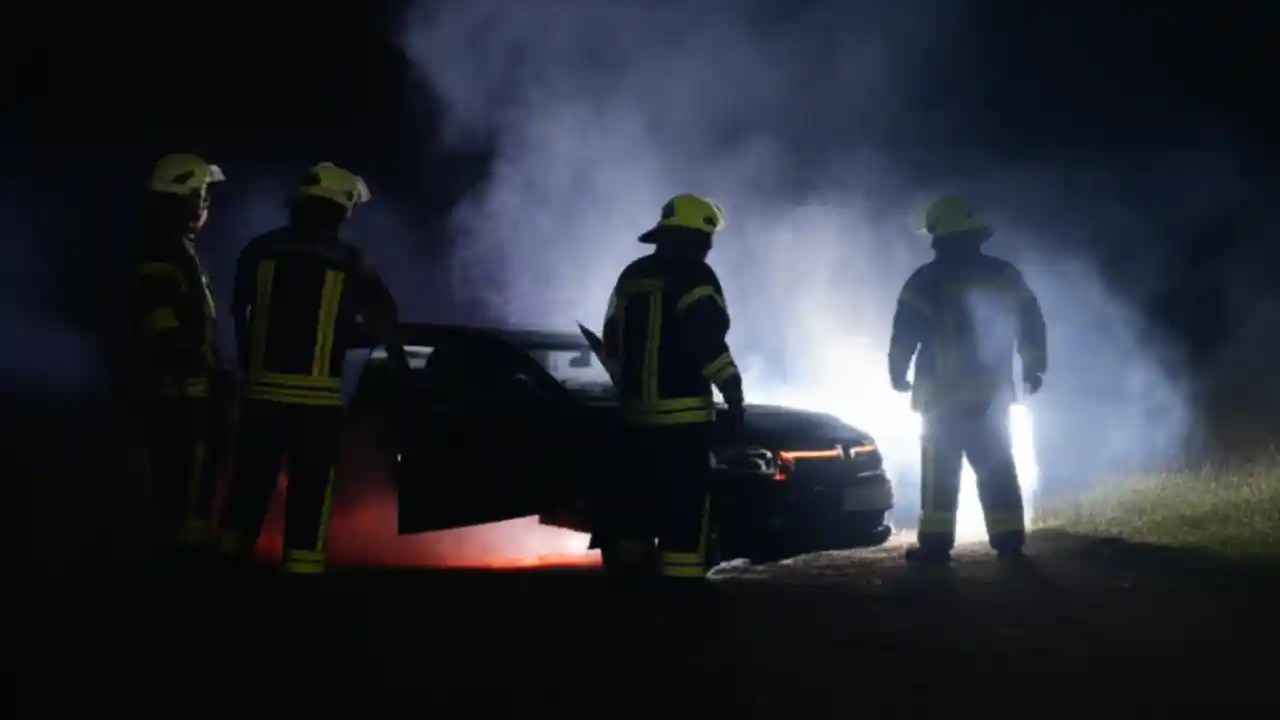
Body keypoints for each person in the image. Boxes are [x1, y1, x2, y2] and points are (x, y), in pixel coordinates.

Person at [215, 161, 408, 574]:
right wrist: (372, 347)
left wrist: (247, 370)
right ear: (340, 209)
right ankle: (302, 578)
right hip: (315, 402)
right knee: (310, 492)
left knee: (248, 486)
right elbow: (384, 321)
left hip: (261, 395)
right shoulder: (350, 262)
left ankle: (223, 571)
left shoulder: (258, 249)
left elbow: (240, 314)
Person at [889, 195, 1047, 562]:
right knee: (996, 467)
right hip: (989, 396)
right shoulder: (1004, 275)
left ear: (938, 237)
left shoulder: (925, 280)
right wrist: (1034, 366)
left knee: (940, 474)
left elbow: (904, 334)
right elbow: (1032, 321)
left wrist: (897, 374)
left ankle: (936, 545)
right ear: (976, 234)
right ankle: (1009, 541)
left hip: (940, 399)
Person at [599, 193, 746, 582]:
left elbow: (610, 338)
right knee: (684, 500)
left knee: (636, 496)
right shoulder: (695, 276)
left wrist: (627, 386)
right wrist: (732, 389)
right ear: (700, 236)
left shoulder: (632, 275)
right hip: (683, 417)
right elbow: (707, 341)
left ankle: (629, 573)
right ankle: (681, 580)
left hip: (634, 415)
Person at [125, 152, 234, 568]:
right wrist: (203, 372)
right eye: (201, 195)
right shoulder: (161, 251)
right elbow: (161, 325)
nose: (205, 205)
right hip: (180, 400)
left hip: (187, 396)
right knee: (183, 498)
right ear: (183, 199)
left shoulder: (173, 247)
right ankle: (182, 580)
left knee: (185, 495)